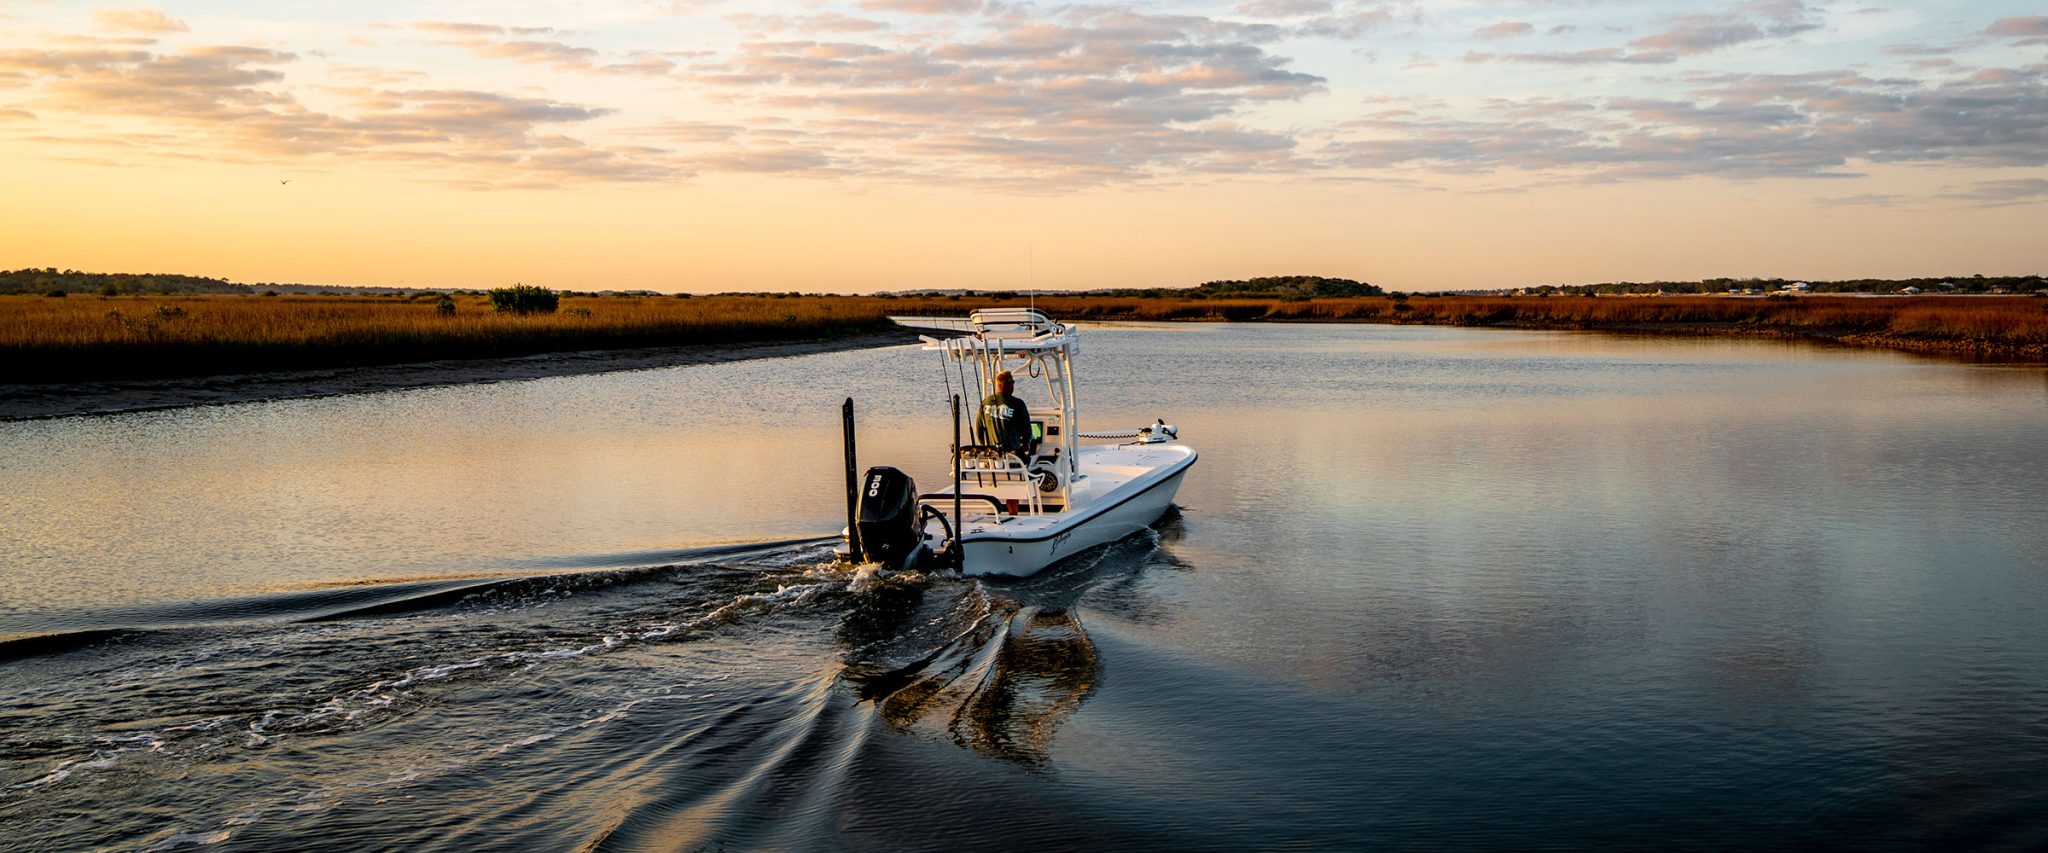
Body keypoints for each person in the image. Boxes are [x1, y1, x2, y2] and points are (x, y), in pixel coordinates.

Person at [976, 370, 1034, 456]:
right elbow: (1027, 430)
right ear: (1008, 384)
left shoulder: (985, 402)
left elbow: (979, 429)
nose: (1013, 385)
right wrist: (1025, 445)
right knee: (1028, 460)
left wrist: (983, 445)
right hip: (1012, 455)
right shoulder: (1018, 403)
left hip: (991, 455)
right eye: (1012, 382)